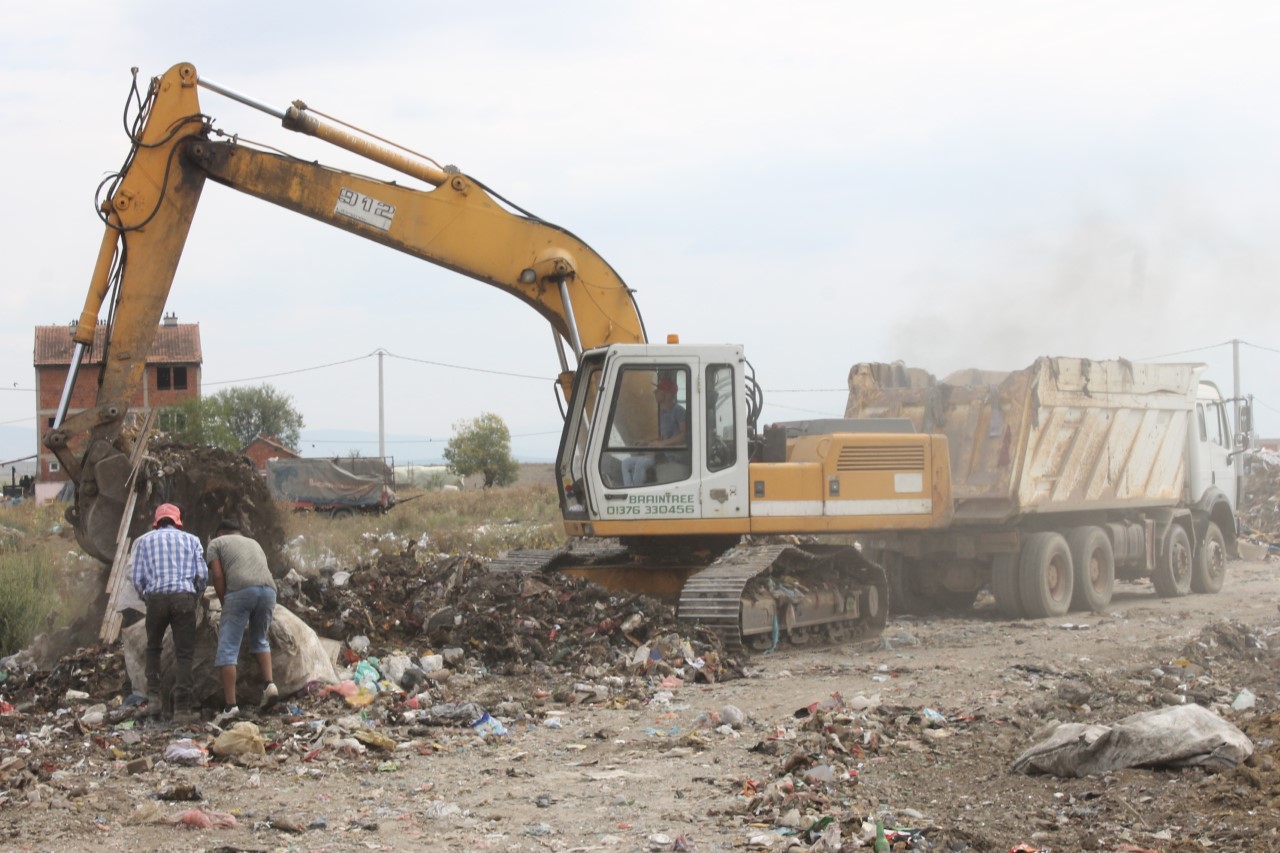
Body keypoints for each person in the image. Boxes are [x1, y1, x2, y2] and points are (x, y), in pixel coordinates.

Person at [129, 503, 207, 724]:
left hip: (156, 599)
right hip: (184, 598)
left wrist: (147, 595)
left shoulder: (144, 541)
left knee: (153, 649)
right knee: (184, 653)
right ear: (177, 520)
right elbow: (201, 574)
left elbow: (136, 576)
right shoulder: (192, 540)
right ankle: (182, 708)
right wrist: (196, 595)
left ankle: (154, 701)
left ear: (157, 521)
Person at [205, 518, 279, 726]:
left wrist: (224, 601)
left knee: (227, 648)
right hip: (269, 591)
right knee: (260, 639)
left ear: (220, 533)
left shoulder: (216, 543)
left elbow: (218, 575)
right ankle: (269, 685)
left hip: (240, 591)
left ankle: (231, 707)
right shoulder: (253, 543)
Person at [622, 376, 689, 486]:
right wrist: (646, 442)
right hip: (662, 453)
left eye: (659, 390)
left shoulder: (679, 411)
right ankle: (627, 489)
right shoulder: (662, 413)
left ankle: (634, 492)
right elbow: (662, 438)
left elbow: (683, 435)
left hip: (674, 456)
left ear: (668, 394)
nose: (655, 392)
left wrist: (662, 444)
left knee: (640, 464)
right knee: (625, 464)